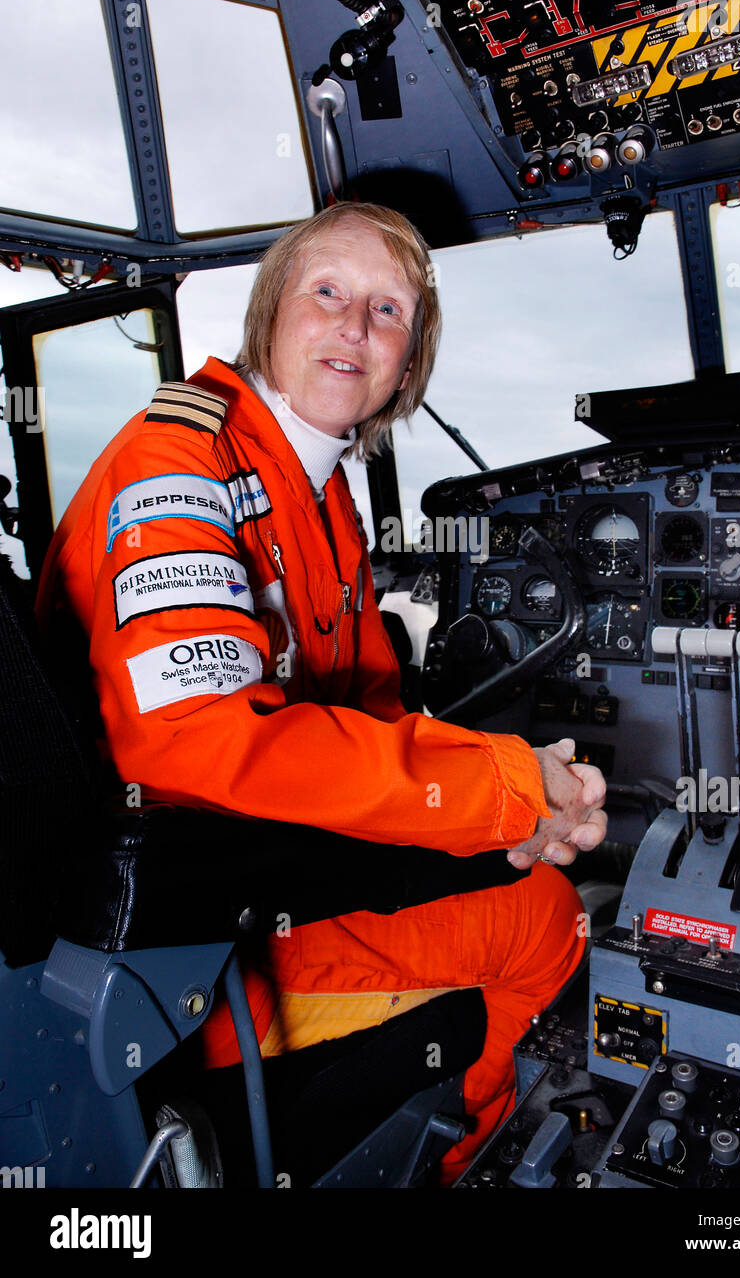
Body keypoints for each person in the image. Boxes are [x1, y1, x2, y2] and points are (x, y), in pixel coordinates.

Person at [37, 201, 607, 1182]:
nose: (355, 327)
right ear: (270, 313)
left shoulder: (315, 485)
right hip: (177, 962)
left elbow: (366, 726)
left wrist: (497, 812)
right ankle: (450, 1158)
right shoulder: (178, 465)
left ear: (411, 359)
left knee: (533, 885)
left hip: (255, 883)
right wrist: (500, 789)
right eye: (328, 293)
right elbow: (200, 743)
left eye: (390, 310)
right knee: (544, 923)